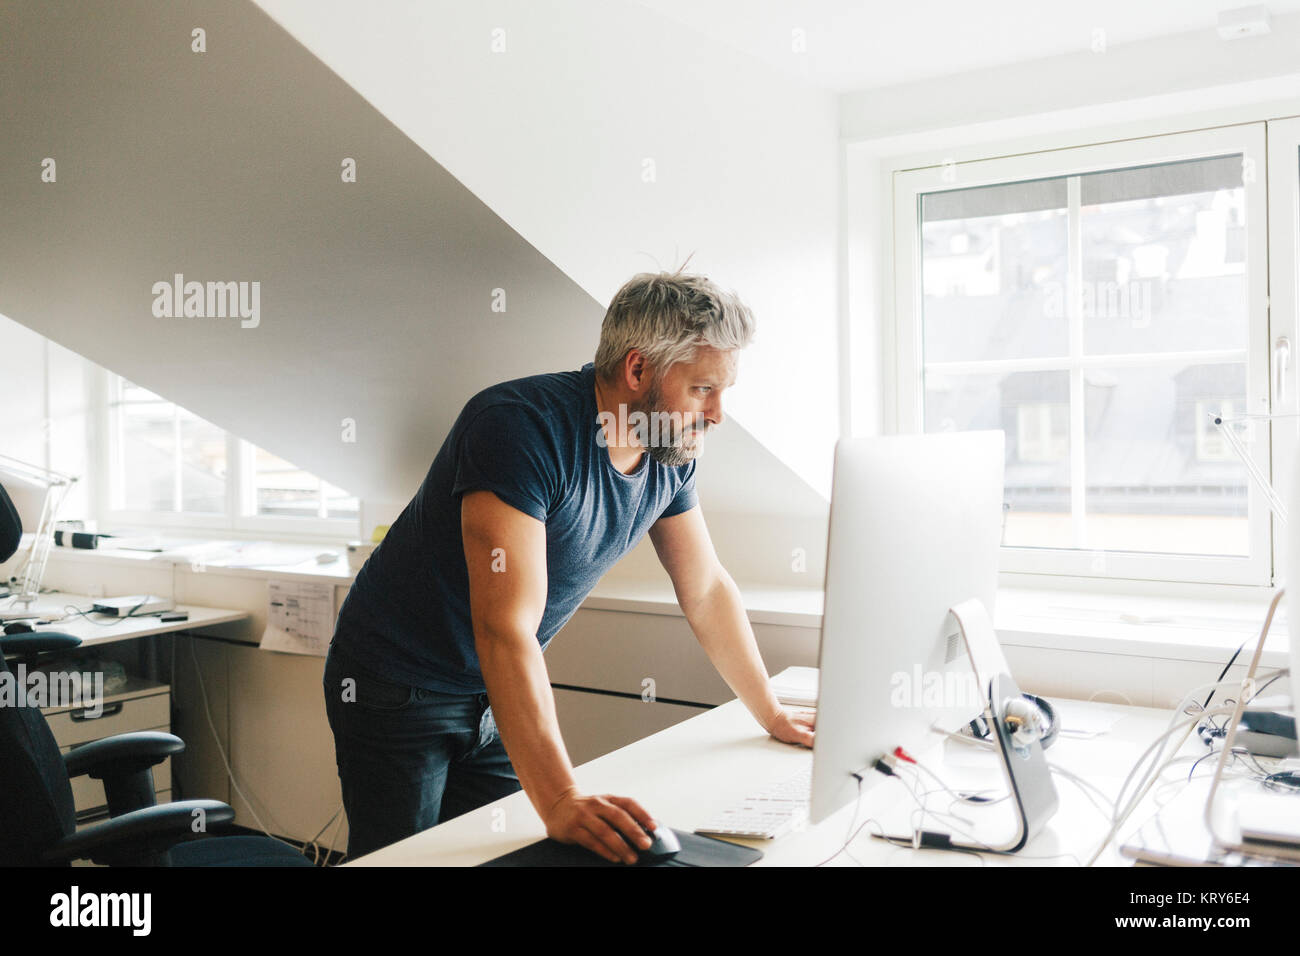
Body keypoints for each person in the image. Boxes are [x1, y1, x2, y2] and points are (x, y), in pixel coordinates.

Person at [323, 267, 815, 863]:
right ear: (638, 370)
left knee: (506, 853)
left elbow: (706, 587)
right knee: (404, 861)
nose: (716, 415)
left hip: (491, 687)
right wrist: (559, 799)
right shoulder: (518, 426)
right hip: (396, 683)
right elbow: (505, 625)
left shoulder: (669, 450)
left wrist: (770, 711)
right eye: (703, 390)